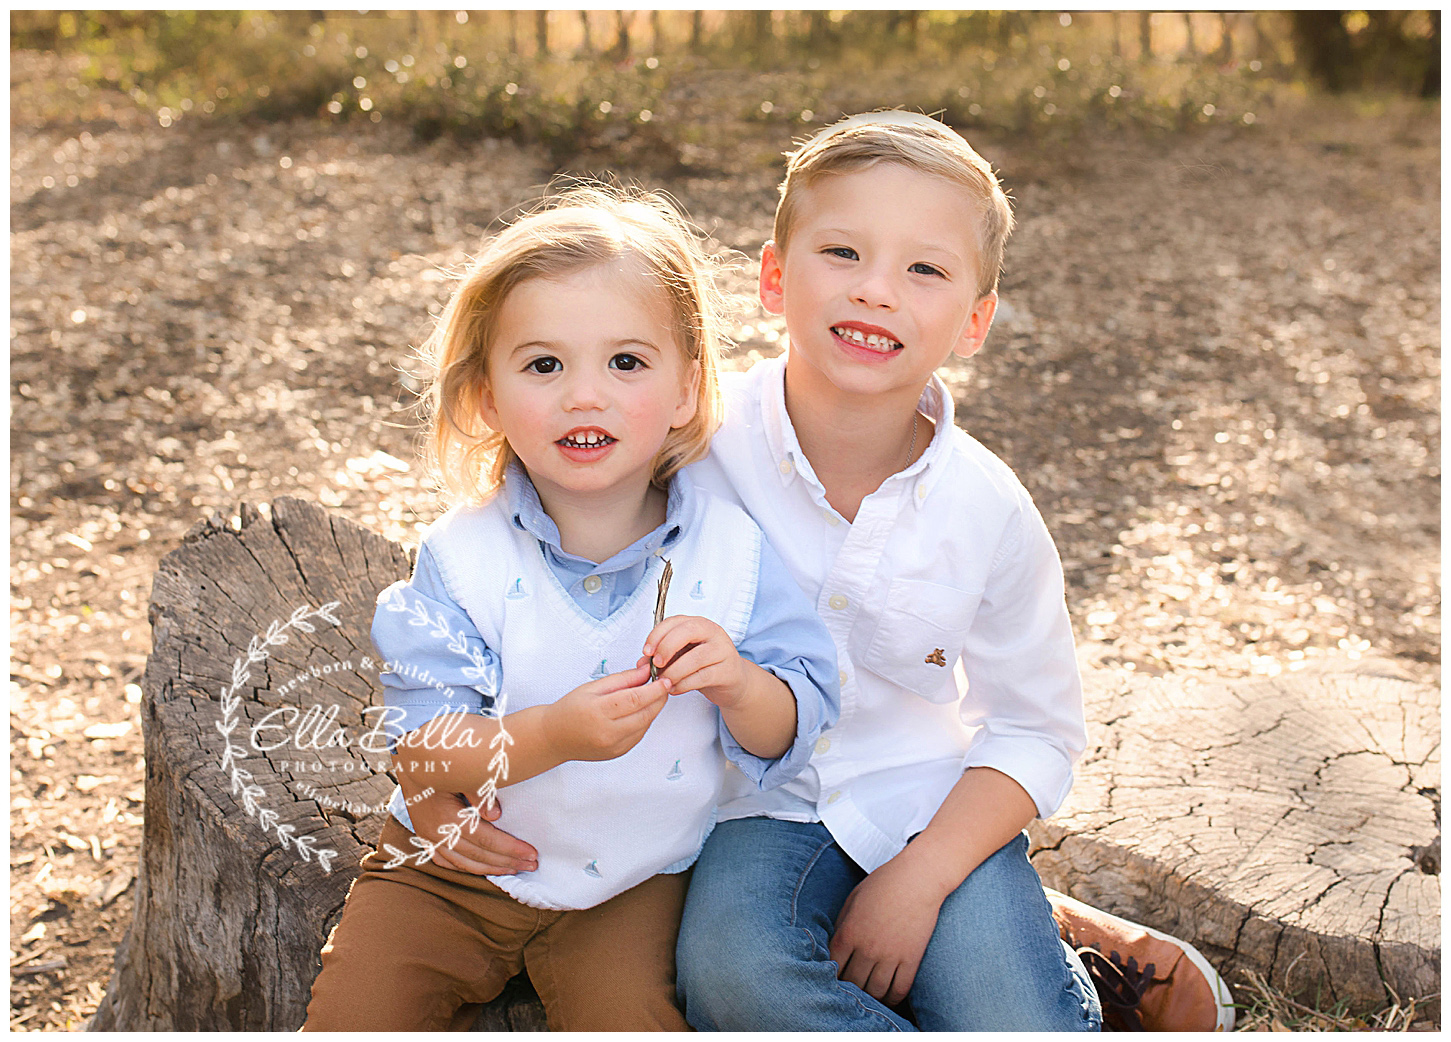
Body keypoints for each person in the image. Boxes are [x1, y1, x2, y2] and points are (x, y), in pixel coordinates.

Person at [400, 114, 1237, 1032]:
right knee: (735, 978)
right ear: (772, 278)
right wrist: (442, 770)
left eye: (924, 269)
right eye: (842, 252)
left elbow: (1036, 731)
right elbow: (519, 543)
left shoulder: (987, 511)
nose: (877, 291)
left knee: (1015, 1014)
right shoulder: (681, 441)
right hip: (745, 819)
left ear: (973, 321)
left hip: (924, 808)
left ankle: (1050, 956)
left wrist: (919, 880)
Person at [302, 186, 840, 1031]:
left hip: (633, 882)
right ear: (485, 396)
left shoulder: (730, 555)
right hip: (445, 871)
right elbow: (420, 746)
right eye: (543, 365)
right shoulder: (463, 557)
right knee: (355, 1017)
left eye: (625, 363)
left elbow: (797, 719)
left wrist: (738, 683)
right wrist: (546, 737)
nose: (583, 395)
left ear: (687, 390)